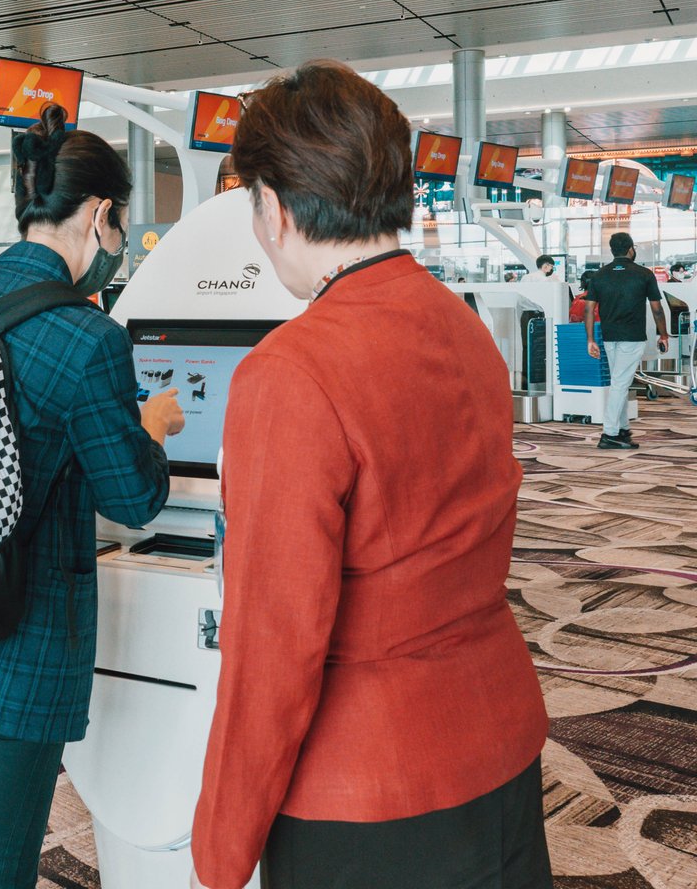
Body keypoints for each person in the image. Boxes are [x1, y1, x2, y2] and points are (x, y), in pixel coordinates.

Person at [189, 62, 550, 889]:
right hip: (497, 740)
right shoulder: (462, 329)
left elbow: (274, 643)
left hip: (369, 790)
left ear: (274, 209)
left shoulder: (293, 370)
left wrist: (221, 846)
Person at [0, 103, 184, 889]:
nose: (114, 249)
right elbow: (132, 499)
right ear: (99, 214)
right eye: (117, 228)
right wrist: (150, 427)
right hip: (19, 635)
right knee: (3, 857)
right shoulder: (88, 340)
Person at [585, 232, 668, 451]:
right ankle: (610, 433)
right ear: (631, 249)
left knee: (619, 383)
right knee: (620, 384)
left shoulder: (600, 275)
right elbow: (657, 308)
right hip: (632, 336)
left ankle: (621, 429)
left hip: (609, 336)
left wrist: (590, 339)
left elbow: (589, 309)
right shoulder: (643, 274)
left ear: (612, 250)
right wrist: (664, 334)